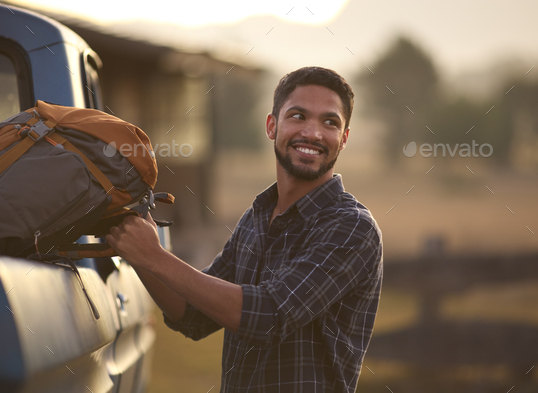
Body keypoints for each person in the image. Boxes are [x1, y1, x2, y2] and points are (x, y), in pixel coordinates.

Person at [106, 66, 383, 392]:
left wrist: (155, 256)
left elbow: (269, 315)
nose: (313, 133)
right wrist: (135, 243)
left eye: (330, 122)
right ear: (271, 125)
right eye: (298, 116)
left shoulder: (352, 228)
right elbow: (192, 314)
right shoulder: (259, 215)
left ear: (344, 138)